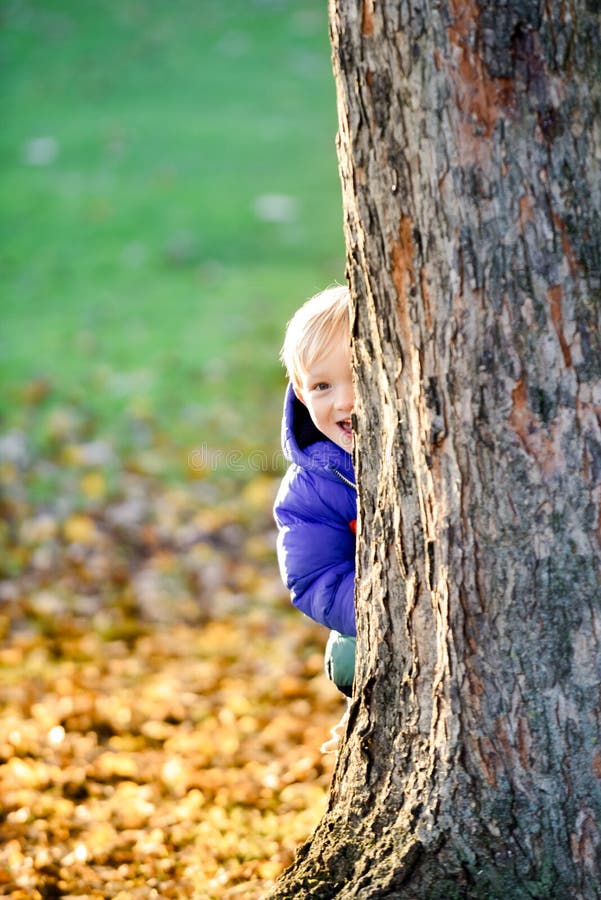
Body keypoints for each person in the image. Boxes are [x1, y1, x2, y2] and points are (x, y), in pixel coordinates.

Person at [273, 285, 357, 736]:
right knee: (350, 659)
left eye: (357, 376)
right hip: (364, 622)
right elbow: (313, 577)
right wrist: (379, 611)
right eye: (323, 386)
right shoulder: (314, 486)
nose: (343, 401)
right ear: (302, 398)